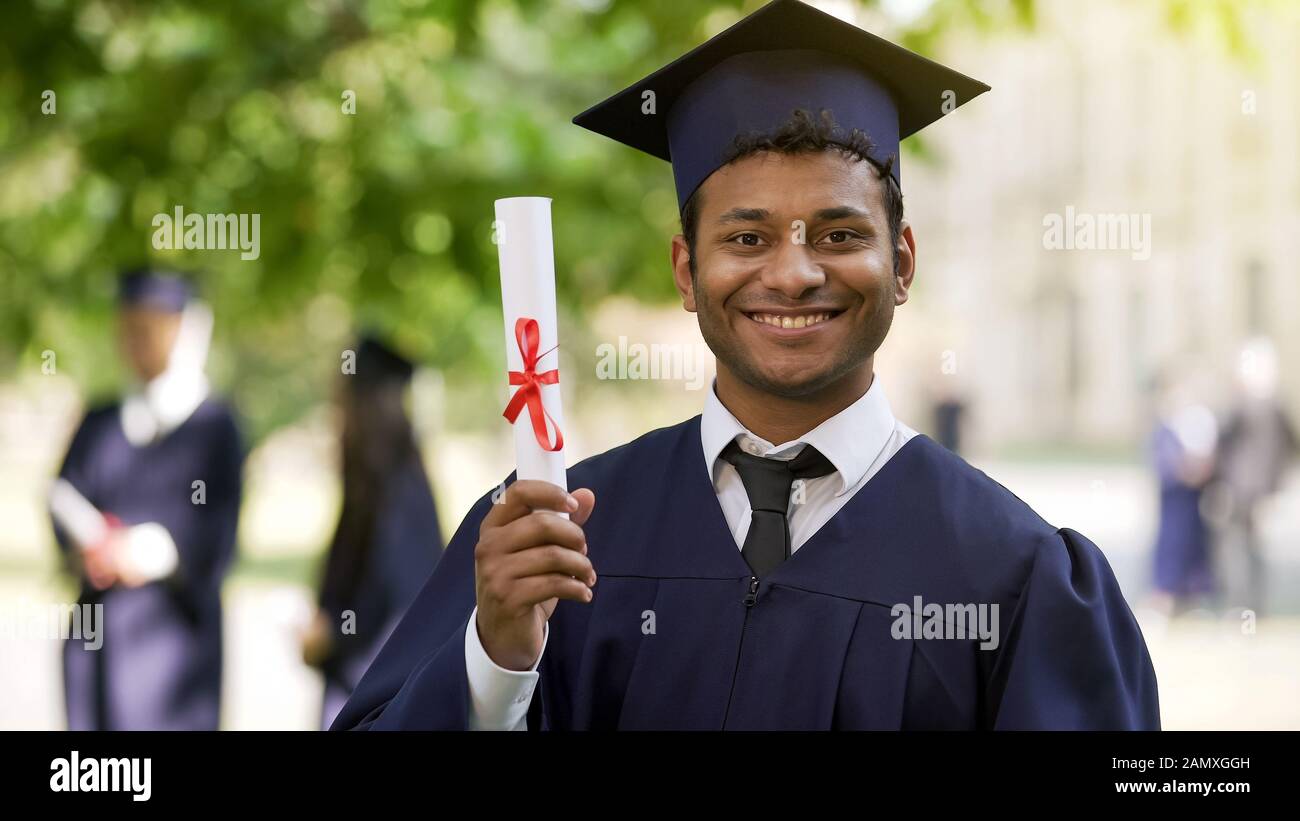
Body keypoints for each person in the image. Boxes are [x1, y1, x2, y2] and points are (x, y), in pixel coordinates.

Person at [333, 0, 1160, 731]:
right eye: (747, 237)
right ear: (687, 272)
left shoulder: (1013, 575)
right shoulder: (550, 543)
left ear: (903, 262)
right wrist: (495, 665)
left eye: (839, 234)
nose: (794, 274)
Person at [49, 269, 244, 730]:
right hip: (99, 637)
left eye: (148, 327)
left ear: (181, 330)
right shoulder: (100, 421)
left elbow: (219, 531)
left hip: (175, 641)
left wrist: (157, 552)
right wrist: (91, 546)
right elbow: (64, 496)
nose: (134, 341)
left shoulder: (214, 427)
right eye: (127, 327)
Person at [301, 336, 443, 729]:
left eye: (343, 403)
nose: (337, 417)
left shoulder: (397, 490)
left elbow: (394, 603)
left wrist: (332, 635)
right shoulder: (378, 482)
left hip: (374, 699)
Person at [1207, 338, 1297, 616]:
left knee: (1235, 547)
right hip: (1262, 488)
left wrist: (1217, 483)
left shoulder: (1241, 406)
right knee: (1253, 545)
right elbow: (1290, 446)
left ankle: (1241, 603)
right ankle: (1255, 605)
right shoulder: (1276, 407)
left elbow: (1221, 446)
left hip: (1238, 487)